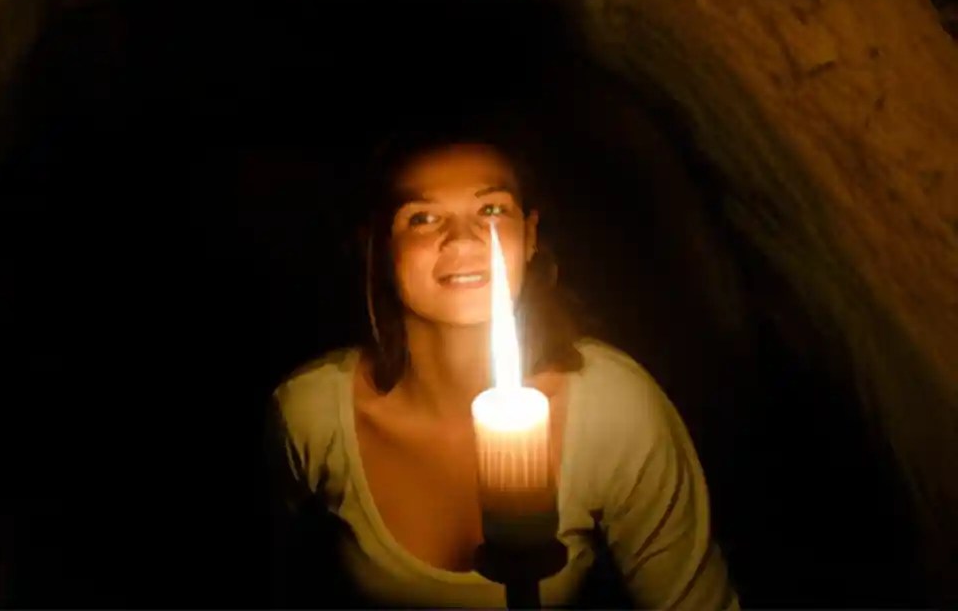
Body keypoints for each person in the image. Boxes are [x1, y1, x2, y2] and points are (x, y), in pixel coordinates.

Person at [265, 111, 739, 609]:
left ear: (530, 236)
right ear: (379, 248)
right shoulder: (312, 415)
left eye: (491, 210)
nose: (464, 239)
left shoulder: (612, 409)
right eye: (423, 218)